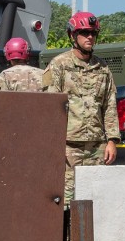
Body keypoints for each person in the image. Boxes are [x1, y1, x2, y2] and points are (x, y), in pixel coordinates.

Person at [42, 11, 118, 204]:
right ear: (72, 35)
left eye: (93, 33)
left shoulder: (102, 68)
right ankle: (66, 235)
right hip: (68, 147)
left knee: (96, 198)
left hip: (97, 146)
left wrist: (111, 141)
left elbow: (109, 105)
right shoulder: (59, 65)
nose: (90, 37)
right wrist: (53, 145)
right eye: (84, 32)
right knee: (67, 200)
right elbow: (49, 108)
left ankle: (92, 235)